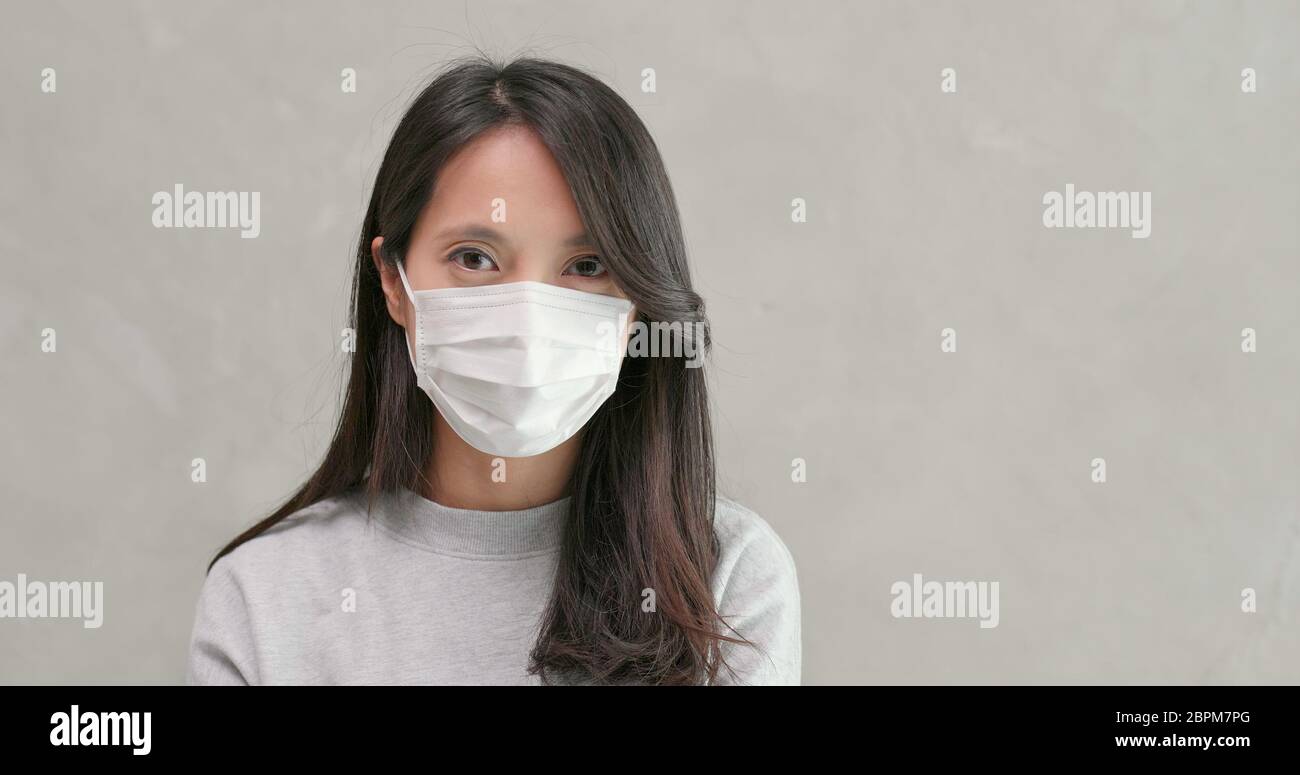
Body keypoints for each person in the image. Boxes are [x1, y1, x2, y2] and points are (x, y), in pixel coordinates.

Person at [184, 55, 800, 686]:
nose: (527, 318)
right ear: (394, 281)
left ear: (638, 304)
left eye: (586, 266)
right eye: (474, 257)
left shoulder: (722, 581)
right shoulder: (263, 598)